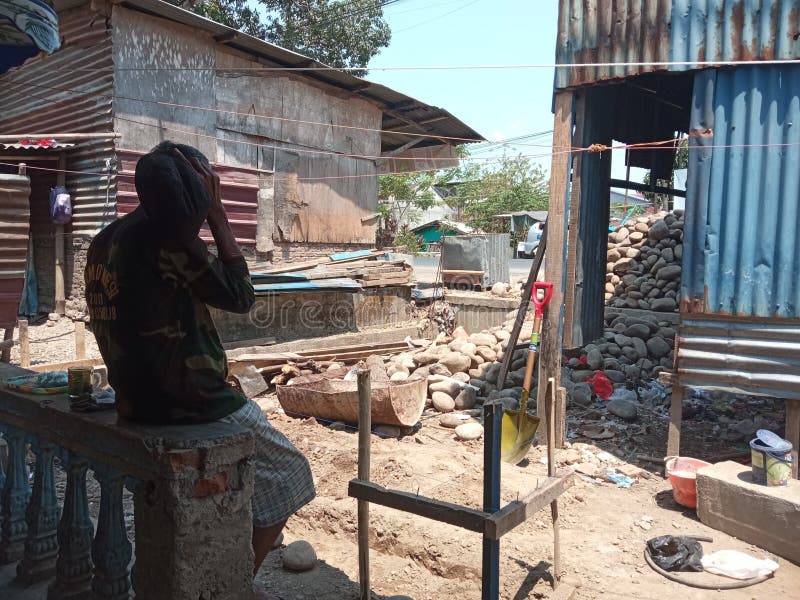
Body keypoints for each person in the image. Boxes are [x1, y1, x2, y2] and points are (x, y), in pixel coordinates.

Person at [85, 141, 315, 599]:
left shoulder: (104, 240)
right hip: (193, 404)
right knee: (292, 473)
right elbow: (241, 297)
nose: (190, 229)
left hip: (133, 401)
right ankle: (229, 586)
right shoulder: (168, 240)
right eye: (190, 217)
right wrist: (219, 218)